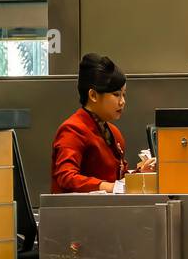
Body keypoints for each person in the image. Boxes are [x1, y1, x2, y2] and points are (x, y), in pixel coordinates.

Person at [51, 53, 152, 193]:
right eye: (116, 94)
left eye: (124, 95)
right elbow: (66, 177)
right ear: (93, 95)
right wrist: (109, 187)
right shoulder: (73, 129)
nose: (122, 101)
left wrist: (140, 173)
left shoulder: (114, 133)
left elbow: (118, 180)